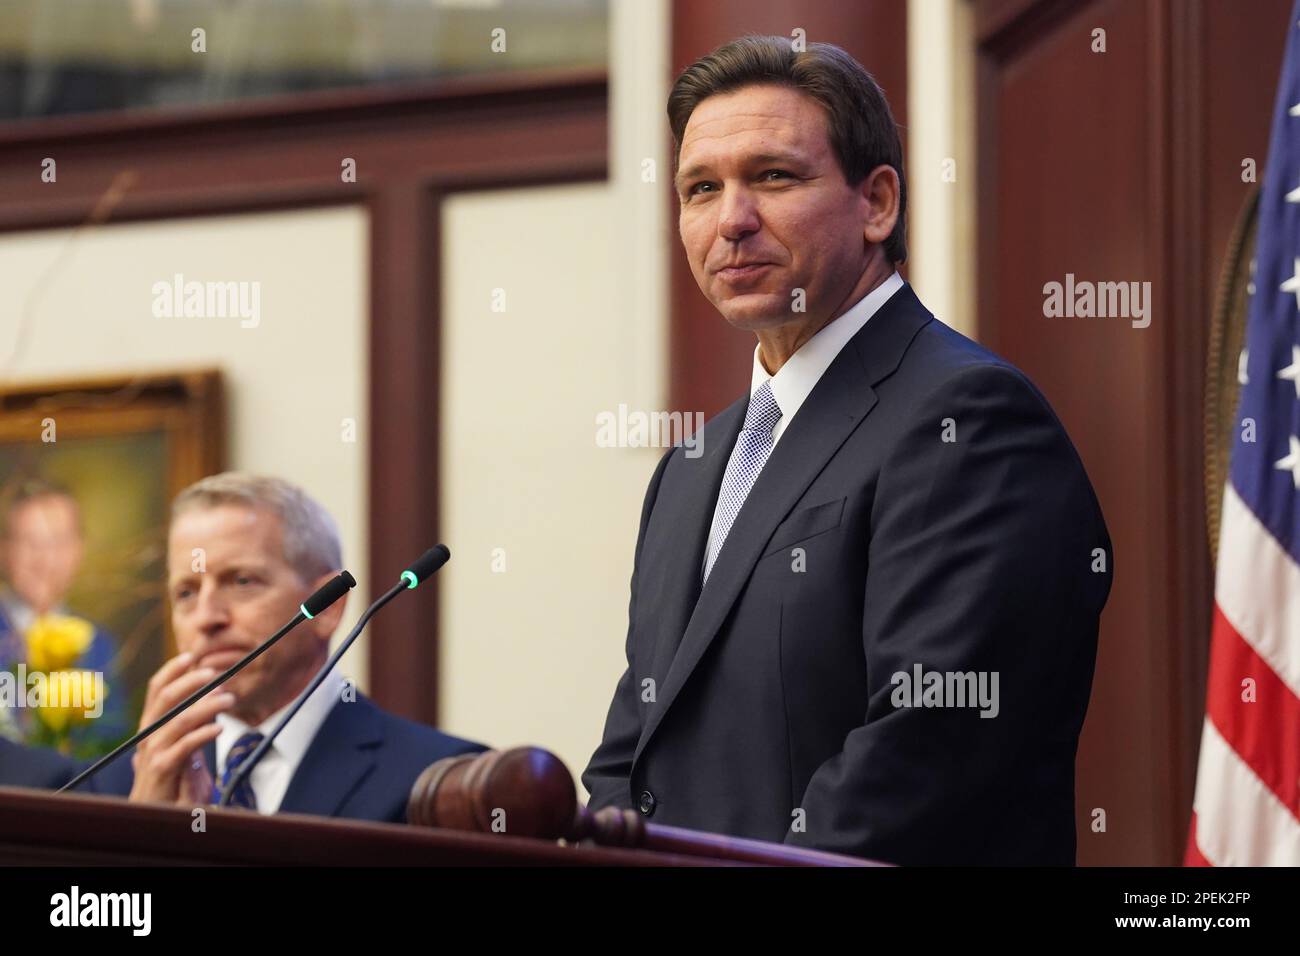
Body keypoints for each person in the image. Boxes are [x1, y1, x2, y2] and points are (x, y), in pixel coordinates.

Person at [582, 36, 1113, 865]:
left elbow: (924, 754)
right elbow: (633, 755)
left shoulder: (968, 418)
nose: (732, 220)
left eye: (774, 176)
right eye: (700, 189)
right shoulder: (689, 470)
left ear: (878, 204)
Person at [1, 472, 484, 825]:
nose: (207, 617)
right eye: (186, 593)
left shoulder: (441, 784)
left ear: (330, 607)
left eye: (241, 581)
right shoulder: (115, 787)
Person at [0, 478, 126, 748]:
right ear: (5, 549)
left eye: (59, 542)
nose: (45, 559)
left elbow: (110, 743)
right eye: (30, 542)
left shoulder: (98, 643)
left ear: (79, 550)